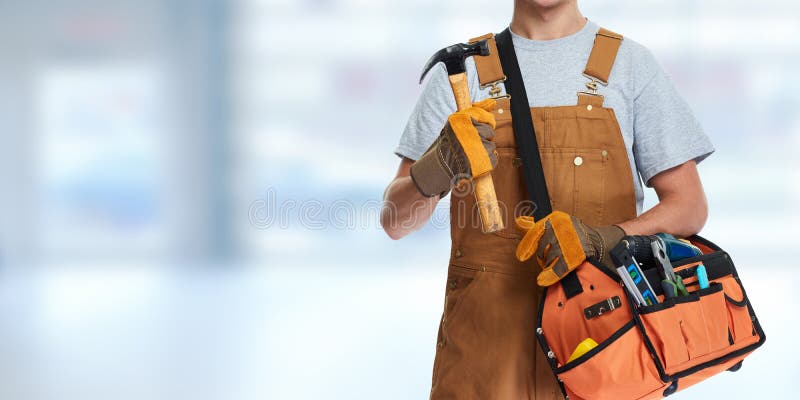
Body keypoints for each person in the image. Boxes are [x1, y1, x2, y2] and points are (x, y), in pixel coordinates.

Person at [380, 0, 714, 398]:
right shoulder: (461, 75)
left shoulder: (630, 66)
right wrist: (437, 165)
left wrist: (603, 238)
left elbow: (689, 206)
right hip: (483, 357)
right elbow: (395, 222)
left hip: (603, 352)